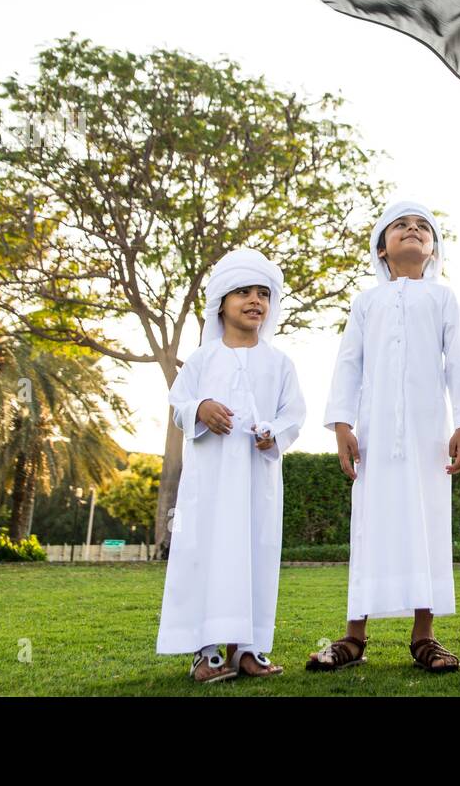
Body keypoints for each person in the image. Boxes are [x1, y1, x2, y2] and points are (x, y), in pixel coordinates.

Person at [308, 201, 460, 673]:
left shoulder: (443, 298)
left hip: (428, 434)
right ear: (382, 250)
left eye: (422, 226)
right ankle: (353, 636)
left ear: (433, 248)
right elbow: (349, 362)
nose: (412, 230)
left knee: (427, 524)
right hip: (375, 432)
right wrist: (343, 424)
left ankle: (424, 636)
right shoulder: (367, 302)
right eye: (400, 225)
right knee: (369, 524)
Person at [156, 248, 306, 682]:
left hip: (258, 479)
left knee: (255, 554)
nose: (254, 300)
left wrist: (273, 432)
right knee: (207, 553)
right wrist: (200, 408)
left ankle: (248, 648)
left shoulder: (279, 362)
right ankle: (207, 653)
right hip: (210, 483)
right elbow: (179, 402)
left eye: (262, 292)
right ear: (221, 301)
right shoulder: (203, 359)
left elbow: (293, 413)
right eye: (243, 292)